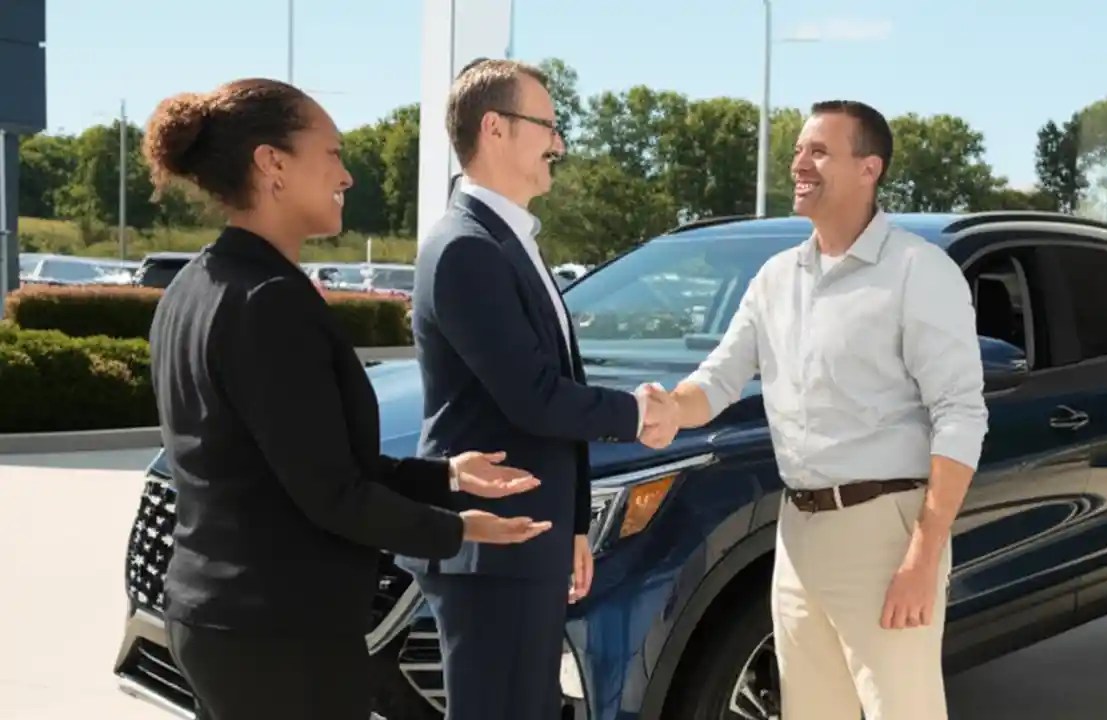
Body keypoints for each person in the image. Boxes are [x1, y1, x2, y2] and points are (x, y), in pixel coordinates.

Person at [142, 78, 555, 720]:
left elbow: (308, 464)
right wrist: (459, 530)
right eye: (332, 153)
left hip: (223, 623)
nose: (347, 175)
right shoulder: (269, 302)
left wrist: (446, 476)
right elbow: (332, 495)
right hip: (281, 638)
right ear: (273, 164)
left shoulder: (196, 284)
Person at [641, 100, 989, 719]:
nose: (799, 163)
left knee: (901, 710)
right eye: (799, 150)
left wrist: (923, 555)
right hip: (797, 533)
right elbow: (717, 381)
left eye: (819, 151)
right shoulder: (776, 279)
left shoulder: (918, 271)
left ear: (869, 169)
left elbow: (961, 414)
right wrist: (668, 409)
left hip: (885, 533)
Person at [404, 59, 678, 720]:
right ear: (494, 129)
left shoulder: (504, 239)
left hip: (527, 540)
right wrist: (637, 413)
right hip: (492, 547)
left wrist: (573, 523)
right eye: (547, 126)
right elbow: (533, 395)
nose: (558, 143)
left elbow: (549, 389)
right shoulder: (467, 248)